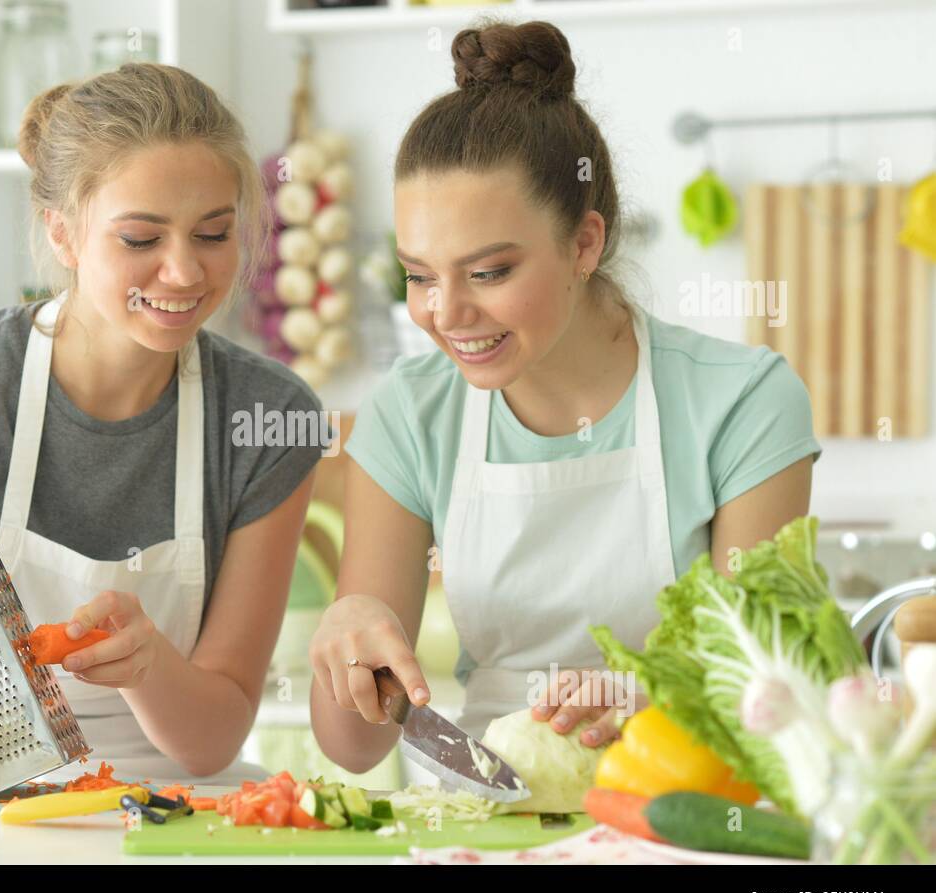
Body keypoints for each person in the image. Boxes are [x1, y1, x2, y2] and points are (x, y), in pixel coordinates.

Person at [309, 20, 820, 772]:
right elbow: (354, 747)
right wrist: (346, 638)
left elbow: (770, 698)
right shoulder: (410, 413)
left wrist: (656, 695)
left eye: (488, 273)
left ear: (583, 243)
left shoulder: (742, 402)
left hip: (688, 804)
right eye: (419, 275)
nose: (444, 313)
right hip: (485, 812)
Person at [0, 63, 323, 784]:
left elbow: (214, 738)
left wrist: (149, 665)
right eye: (140, 239)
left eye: (213, 233)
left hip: (177, 811)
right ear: (62, 234)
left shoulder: (267, 418)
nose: (184, 272)